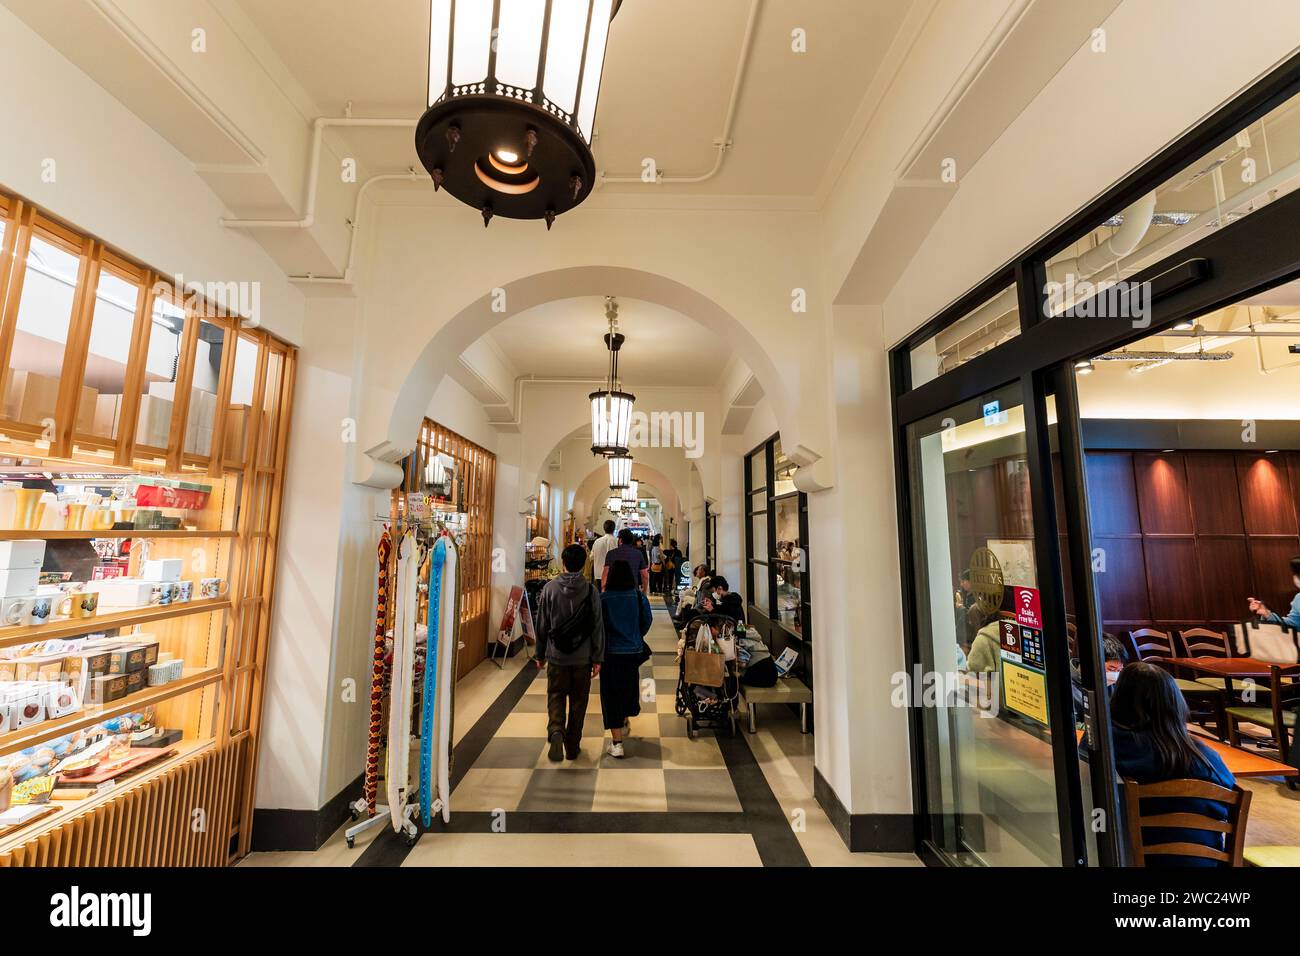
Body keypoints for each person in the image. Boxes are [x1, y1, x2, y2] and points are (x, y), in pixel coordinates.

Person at [1110, 662, 1235, 867]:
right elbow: (1228, 798)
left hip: (1134, 859)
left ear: (1118, 700)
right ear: (1175, 704)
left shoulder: (1110, 747)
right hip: (1203, 862)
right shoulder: (1202, 757)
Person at [533, 544, 604, 762]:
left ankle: (556, 730)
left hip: (556, 656)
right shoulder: (591, 590)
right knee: (578, 700)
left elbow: (542, 624)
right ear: (584, 565)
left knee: (555, 694)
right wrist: (598, 657)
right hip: (582, 658)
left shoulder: (550, 589)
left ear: (563, 563)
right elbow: (597, 626)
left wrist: (540, 653)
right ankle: (572, 746)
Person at [599, 559, 653, 758]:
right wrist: (636, 635)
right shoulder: (638, 597)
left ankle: (617, 743)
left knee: (609, 693)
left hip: (609, 653)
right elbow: (647, 620)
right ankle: (624, 715)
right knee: (628, 687)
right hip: (632, 652)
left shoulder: (603, 599)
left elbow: (598, 626)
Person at [1247, 555, 1300, 629]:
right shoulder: (1298, 598)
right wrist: (1267, 614)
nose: (1296, 577)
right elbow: (1293, 624)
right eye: (1297, 574)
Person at [590, 519, 617, 591]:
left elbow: (591, 557)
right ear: (614, 529)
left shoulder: (597, 541)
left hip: (599, 573)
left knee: (600, 595)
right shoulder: (616, 541)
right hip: (612, 573)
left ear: (604, 528)